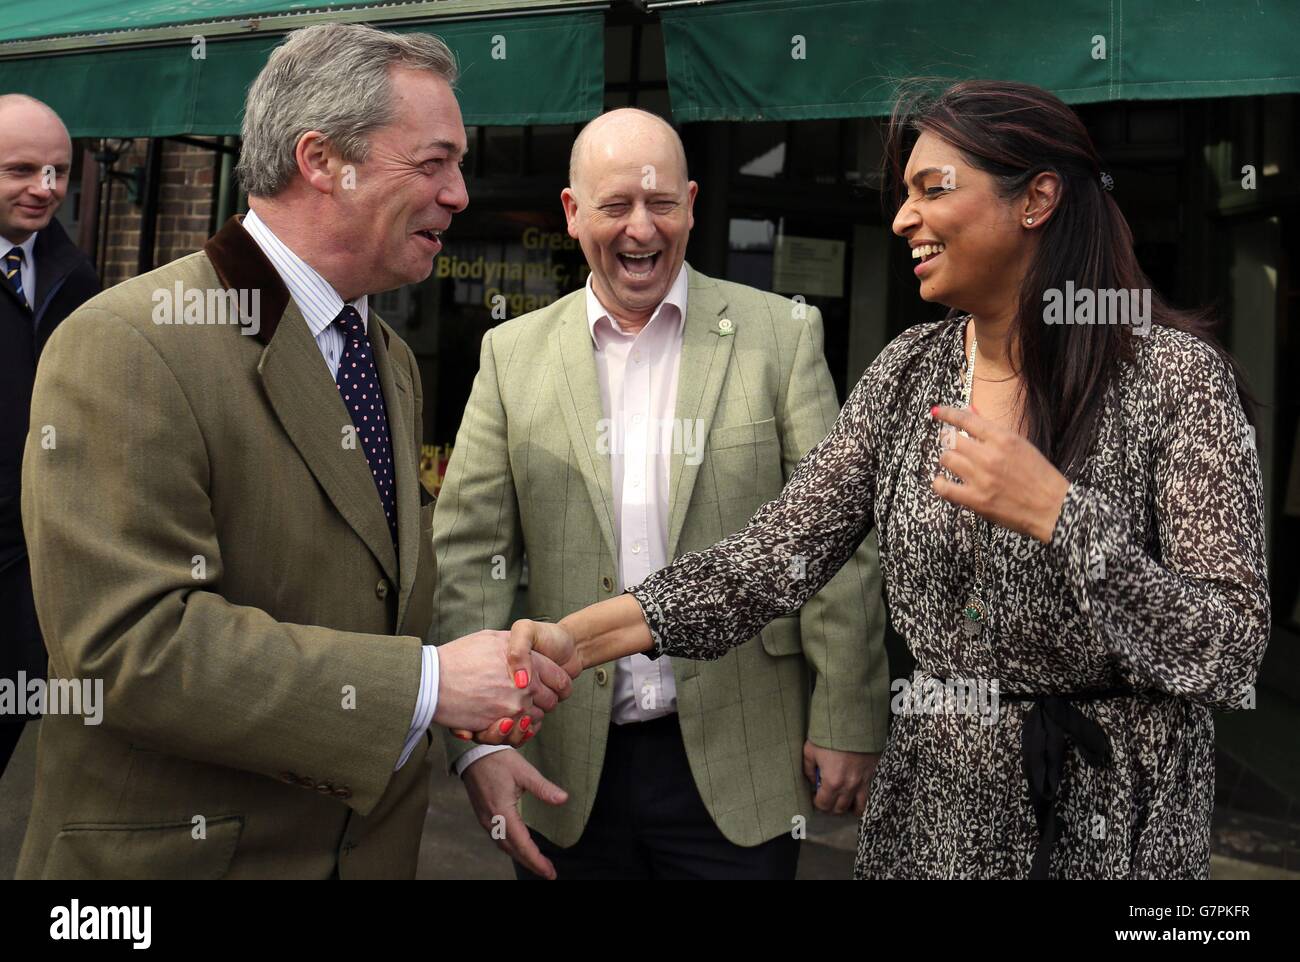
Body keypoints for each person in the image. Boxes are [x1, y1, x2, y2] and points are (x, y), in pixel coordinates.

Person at [519, 80, 1271, 879]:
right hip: (932, 828)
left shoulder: (1174, 380)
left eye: (931, 189)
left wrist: (1065, 518)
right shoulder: (908, 375)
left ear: (1037, 198)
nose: (904, 217)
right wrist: (578, 638)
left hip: (1114, 832)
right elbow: (770, 559)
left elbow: (1228, 648)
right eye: (903, 194)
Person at [16, 23, 564, 880]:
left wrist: (467, 741)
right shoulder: (126, 341)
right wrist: (425, 688)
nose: (461, 194)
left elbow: (389, 598)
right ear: (321, 159)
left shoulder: (390, 357)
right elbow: (131, 647)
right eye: (433, 162)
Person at [434, 108, 888, 879]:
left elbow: (836, 546)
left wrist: (847, 715)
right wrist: (480, 743)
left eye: (662, 203)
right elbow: (471, 556)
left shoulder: (782, 335)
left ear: (693, 204)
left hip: (741, 762)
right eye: (616, 206)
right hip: (562, 763)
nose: (642, 228)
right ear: (574, 214)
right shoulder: (510, 356)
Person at [0, 95, 99, 779]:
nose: (46, 188)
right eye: (22, 169)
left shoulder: (77, 276)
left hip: (26, 563)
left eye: (59, 171)